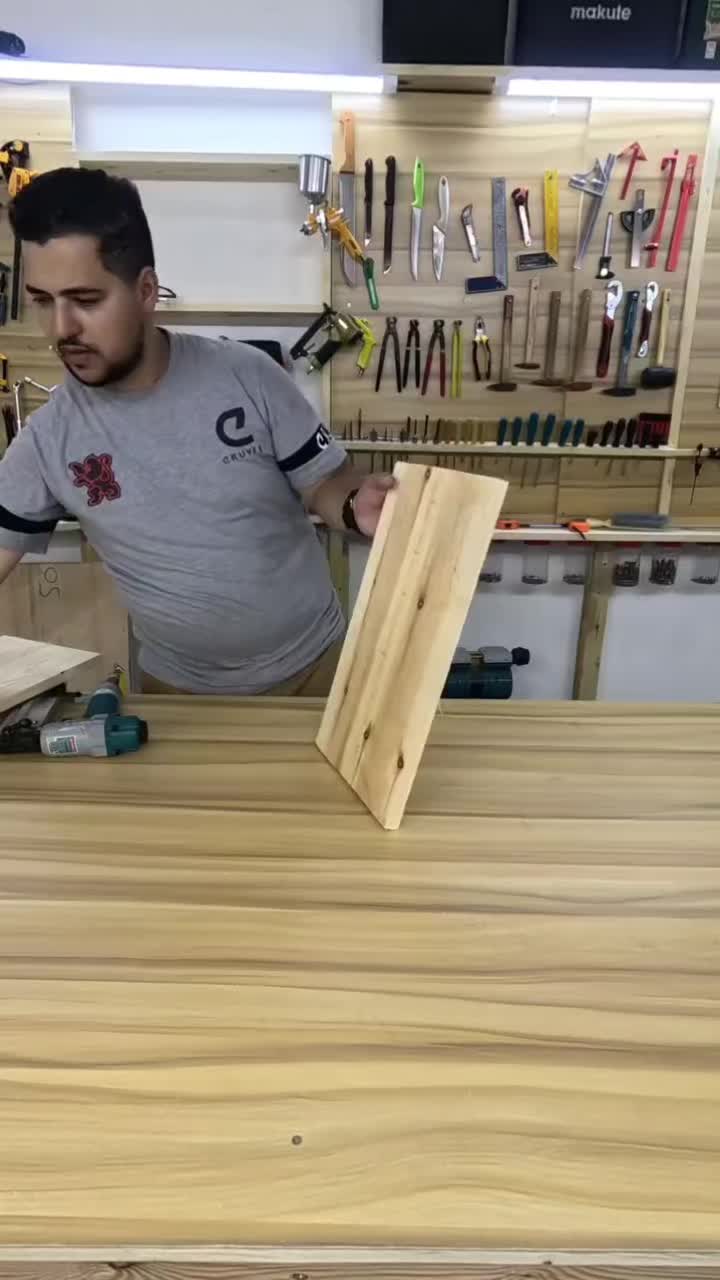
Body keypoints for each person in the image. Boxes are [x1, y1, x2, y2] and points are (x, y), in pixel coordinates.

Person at [0, 168, 393, 695]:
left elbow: (326, 484)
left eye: (86, 300)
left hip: (317, 670)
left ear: (145, 290)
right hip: (179, 692)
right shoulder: (49, 440)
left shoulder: (248, 376)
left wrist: (353, 506)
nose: (61, 328)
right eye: (43, 301)